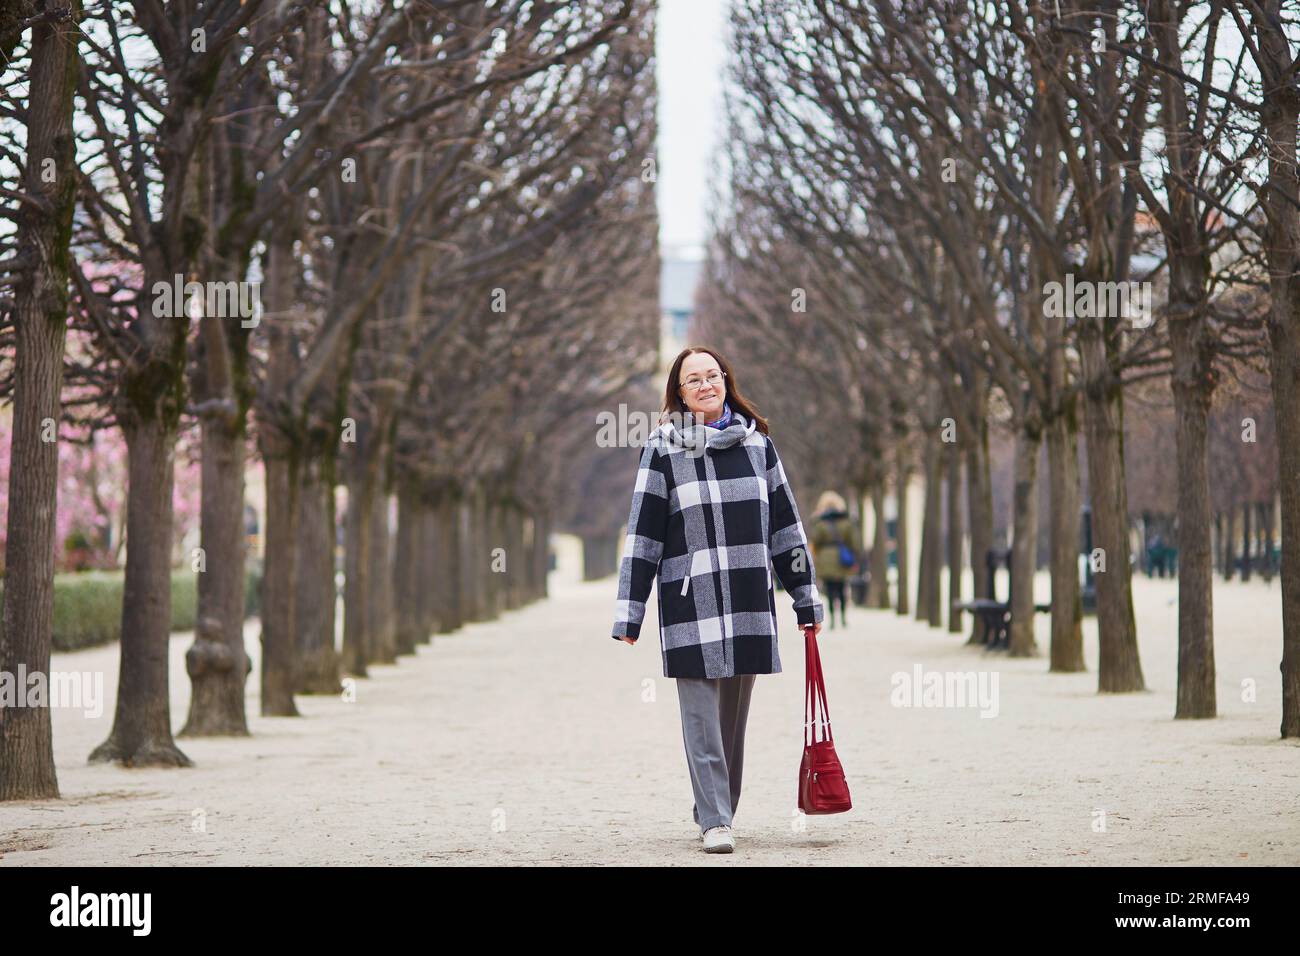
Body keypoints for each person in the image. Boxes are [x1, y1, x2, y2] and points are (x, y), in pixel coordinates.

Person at [610, 346, 824, 854]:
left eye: (713, 375)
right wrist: (630, 610)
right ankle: (714, 819)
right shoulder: (662, 448)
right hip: (690, 599)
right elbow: (644, 535)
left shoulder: (758, 447)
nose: (706, 384)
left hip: (749, 596)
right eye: (694, 380)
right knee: (700, 713)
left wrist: (805, 599)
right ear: (679, 393)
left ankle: (719, 803)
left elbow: (786, 530)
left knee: (733, 718)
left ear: (726, 380)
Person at [810, 491, 861, 629]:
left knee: (830, 590)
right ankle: (843, 618)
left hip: (826, 560)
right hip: (842, 559)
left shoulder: (821, 523)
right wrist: (855, 557)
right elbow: (854, 542)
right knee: (842, 588)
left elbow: (815, 541)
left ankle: (832, 619)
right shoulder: (846, 521)